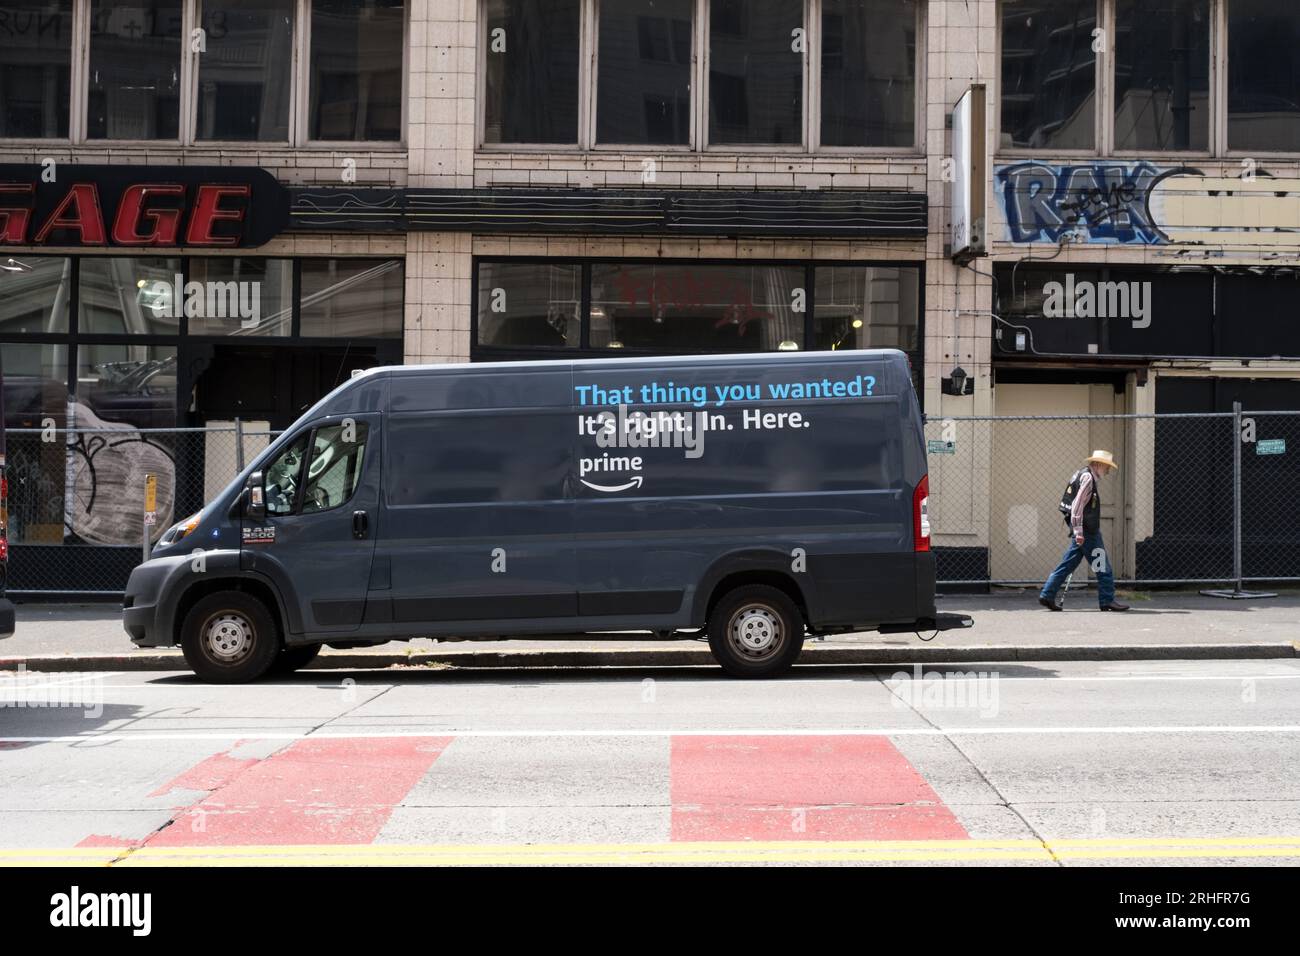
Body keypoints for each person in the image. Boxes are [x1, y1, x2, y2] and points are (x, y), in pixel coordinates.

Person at [1039, 450, 1130, 612]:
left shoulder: (1082, 474)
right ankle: (1107, 600)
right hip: (1087, 531)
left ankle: (1047, 594)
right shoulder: (1088, 479)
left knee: (1068, 563)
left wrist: (1076, 530)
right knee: (1102, 566)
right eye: (1107, 467)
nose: (1108, 471)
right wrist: (1079, 532)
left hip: (1083, 529)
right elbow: (1077, 506)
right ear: (1099, 464)